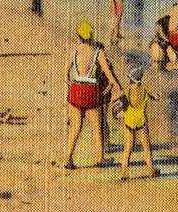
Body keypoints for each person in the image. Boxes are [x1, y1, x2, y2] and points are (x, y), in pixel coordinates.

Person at [64, 21, 123, 169]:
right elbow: (108, 74)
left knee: (75, 127)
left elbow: (65, 74)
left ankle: (67, 159)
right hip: (91, 90)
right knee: (97, 127)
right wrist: (118, 86)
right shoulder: (97, 52)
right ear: (91, 34)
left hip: (76, 88)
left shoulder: (74, 50)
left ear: (78, 35)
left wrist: (71, 84)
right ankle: (99, 159)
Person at [117, 67, 159, 179]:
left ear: (130, 78)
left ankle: (124, 173)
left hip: (129, 121)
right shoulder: (145, 88)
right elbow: (157, 97)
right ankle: (150, 170)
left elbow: (115, 98)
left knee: (128, 148)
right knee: (146, 147)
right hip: (141, 121)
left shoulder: (127, 89)